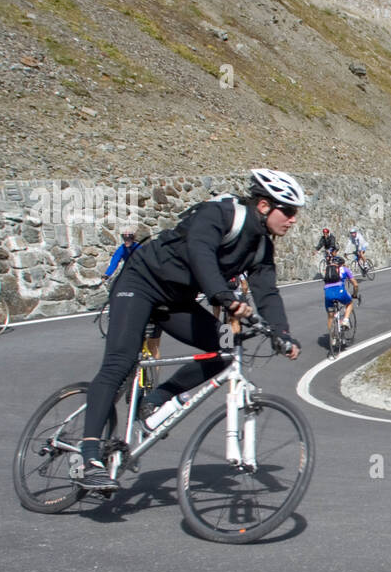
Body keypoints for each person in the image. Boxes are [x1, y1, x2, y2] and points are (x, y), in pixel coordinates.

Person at [74, 169, 304, 491]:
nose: (293, 220)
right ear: (264, 206)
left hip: (176, 301)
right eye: (289, 211)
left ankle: (155, 399)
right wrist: (223, 295)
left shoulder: (262, 247)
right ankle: (89, 458)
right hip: (140, 284)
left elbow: (267, 292)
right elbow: (201, 253)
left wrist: (281, 332)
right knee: (119, 362)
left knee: (226, 348)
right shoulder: (221, 214)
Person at [104, 228, 161, 359]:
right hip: (127, 273)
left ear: (133, 238)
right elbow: (115, 261)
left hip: (140, 274)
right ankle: (113, 312)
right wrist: (106, 275)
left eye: (129, 238)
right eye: (124, 238)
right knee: (115, 287)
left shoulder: (139, 248)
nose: (127, 240)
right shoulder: (122, 249)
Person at [322, 253, 358, 344]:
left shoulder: (327, 269)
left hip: (328, 293)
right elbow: (355, 284)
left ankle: (332, 338)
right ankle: (345, 320)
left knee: (330, 315)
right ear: (342, 264)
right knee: (349, 303)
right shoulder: (345, 269)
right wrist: (354, 294)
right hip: (339, 291)